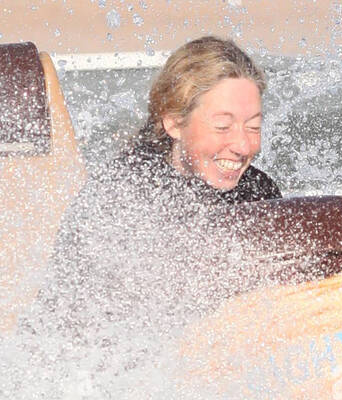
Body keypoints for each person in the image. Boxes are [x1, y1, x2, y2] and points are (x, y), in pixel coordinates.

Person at [39, 37, 282, 332]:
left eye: (253, 127)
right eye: (222, 127)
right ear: (174, 123)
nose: (243, 145)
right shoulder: (124, 194)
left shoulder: (257, 189)